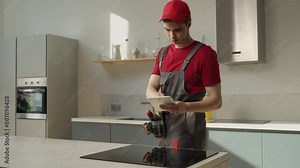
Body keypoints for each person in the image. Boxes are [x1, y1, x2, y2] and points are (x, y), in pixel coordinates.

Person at [145, 0, 222, 150]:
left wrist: (185, 107)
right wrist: (156, 97)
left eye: (177, 30)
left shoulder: (205, 54)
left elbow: (216, 101)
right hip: (164, 132)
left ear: (189, 24)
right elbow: (150, 88)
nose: (172, 35)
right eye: (167, 30)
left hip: (190, 133)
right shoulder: (162, 54)